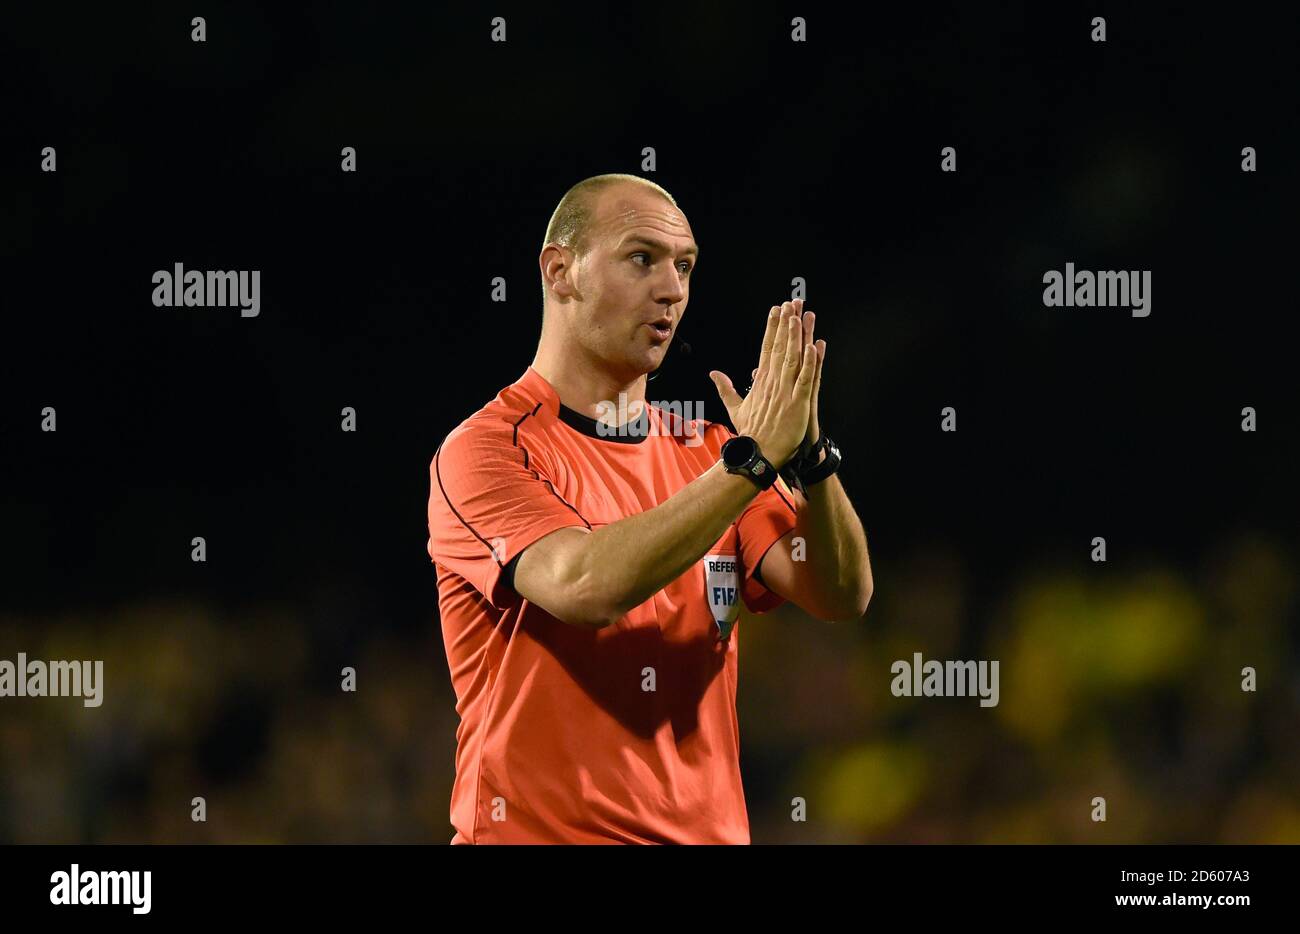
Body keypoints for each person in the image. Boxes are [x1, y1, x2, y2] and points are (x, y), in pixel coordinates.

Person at [426, 173, 872, 843]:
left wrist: (808, 458)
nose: (673, 289)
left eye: (684, 266)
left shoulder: (711, 454)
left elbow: (840, 593)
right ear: (561, 271)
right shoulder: (487, 450)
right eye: (642, 258)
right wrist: (752, 466)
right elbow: (586, 585)